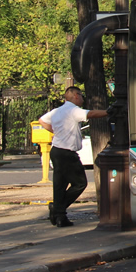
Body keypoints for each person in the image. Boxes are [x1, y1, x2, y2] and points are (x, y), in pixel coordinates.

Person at [38, 87, 109, 227]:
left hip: (56, 151)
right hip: (67, 153)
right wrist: (108, 112)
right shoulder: (73, 110)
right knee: (80, 183)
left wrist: (55, 131)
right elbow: (92, 114)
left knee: (60, 184)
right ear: (76, 96)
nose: (83, 99)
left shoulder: (57, 111)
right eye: (81, 96)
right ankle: (58, 208)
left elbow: (41, 120)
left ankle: (60, 217)